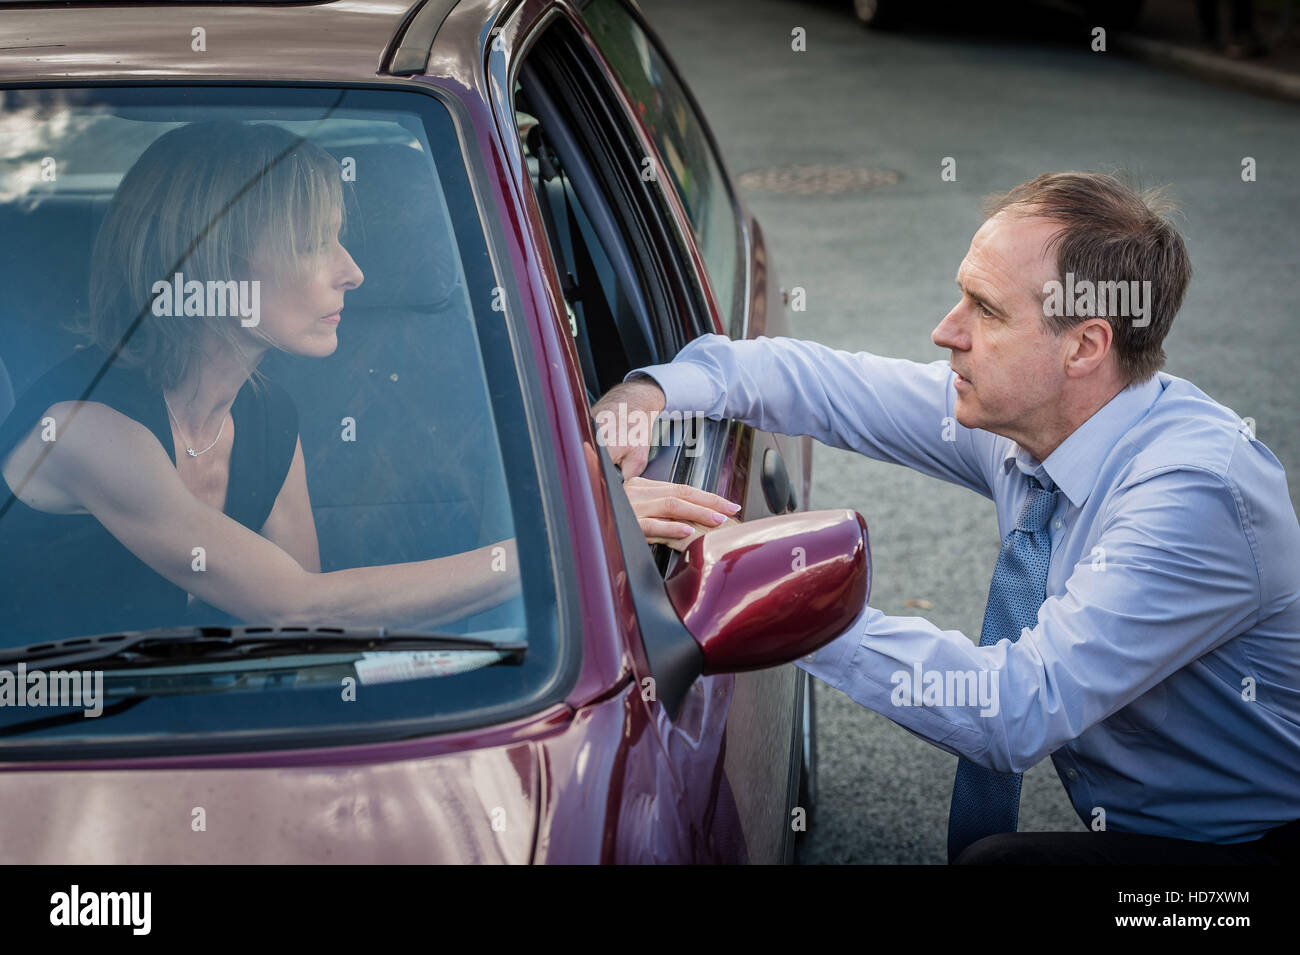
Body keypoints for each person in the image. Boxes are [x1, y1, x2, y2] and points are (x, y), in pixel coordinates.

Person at [594, 171, 1300, 864]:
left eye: (986, 311)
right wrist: (647, 392)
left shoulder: (1190, 495)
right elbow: (818, 384)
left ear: (1085, 346)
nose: (944, 331)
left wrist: (783, 604)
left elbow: (1016, 708)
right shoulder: (1035, 414)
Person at [0, 120, 737, 644]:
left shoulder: (264, 416)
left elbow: (311, 632)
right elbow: (294, 605)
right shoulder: (84, 429)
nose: (351, 269)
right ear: (213, 265)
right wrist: (574, 538)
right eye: (313, 241)